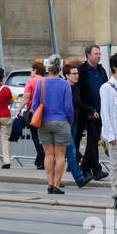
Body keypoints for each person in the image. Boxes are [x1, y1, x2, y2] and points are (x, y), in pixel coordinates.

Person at [31, 53, 74, 195]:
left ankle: (49, 183)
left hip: (44, 122)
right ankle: (57, 184)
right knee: (60, 155)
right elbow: (68, 107)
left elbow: (35, 104)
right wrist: (70, 120)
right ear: (60, 69)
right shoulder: (65, 84)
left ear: (48, 69)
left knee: (48, 155)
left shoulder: (41, 83)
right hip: (61, 121)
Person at [77, 43, 109, 181]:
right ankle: (93, 169)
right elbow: (79, 95)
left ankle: (88, 167)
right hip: (88, 112)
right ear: (88, 55)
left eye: (99, 54)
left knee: (94, 140)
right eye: (96, 54)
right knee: (93, 139)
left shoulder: (101, 70)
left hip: (101, 112)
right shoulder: (82, 71)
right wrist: (89, 109)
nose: (99, 56)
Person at [63, 59, 92, 189]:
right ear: (67, 75)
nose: (76, 75)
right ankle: (79, 179)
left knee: (63, 152)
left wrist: (91, 110)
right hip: (65, 124)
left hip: (74, 124)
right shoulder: (65, 88)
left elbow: (78, 104)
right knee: (70, 151)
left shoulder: (76, 88)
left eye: (77, 73)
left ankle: (54, 180)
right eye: (73, 73)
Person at [100, 52, 117, 210]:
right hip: (116, 133)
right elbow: (105, 114)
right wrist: (110, 135)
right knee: (116, 166)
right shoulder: (106, 88)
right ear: (115, 68)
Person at [15, 60, 47, 169]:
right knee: (43, 136)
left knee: (35, 137)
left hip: (34, 112)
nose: (31, 73)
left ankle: (42, 159)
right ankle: (39, 160)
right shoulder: (46, 81)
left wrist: (19, 110)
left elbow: (26, 97)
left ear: (35, 70)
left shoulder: (31, 81)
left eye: (32, 70)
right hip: (45, 112)